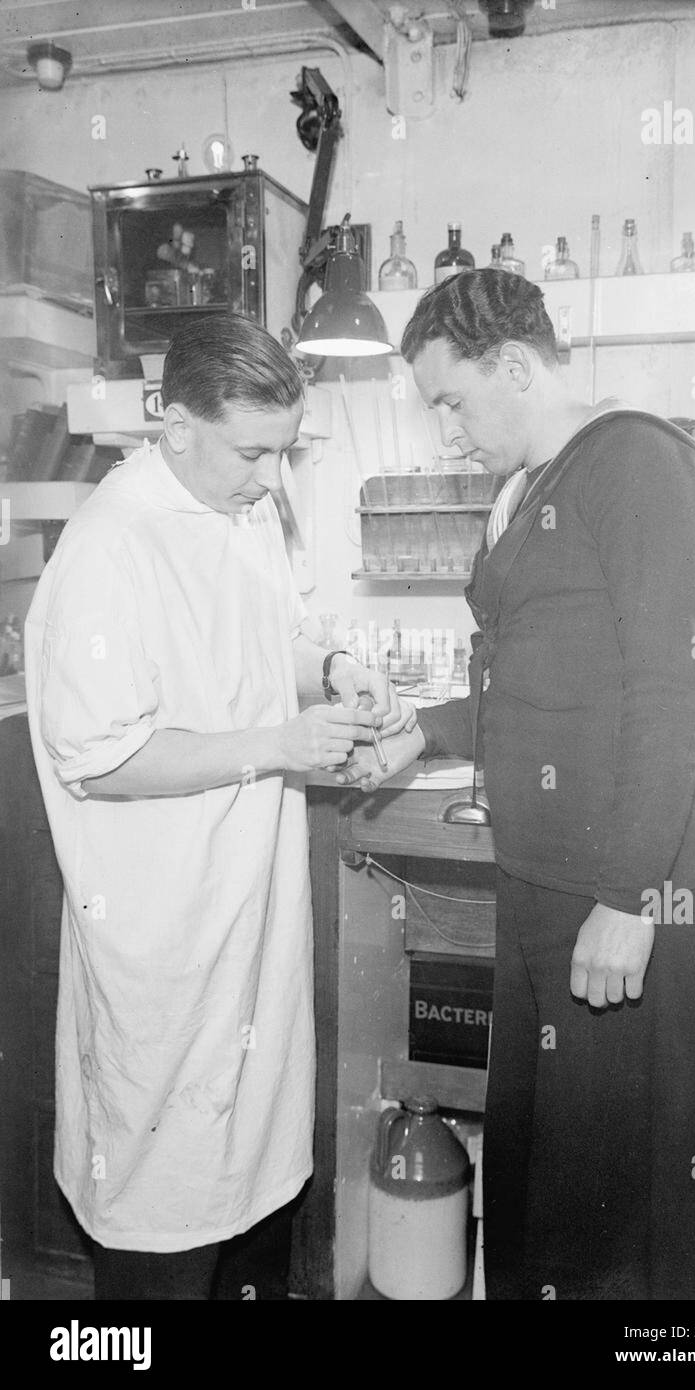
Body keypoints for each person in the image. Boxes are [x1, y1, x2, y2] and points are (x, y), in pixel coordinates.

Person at [338, 269, 695, 1301]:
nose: (445, 431)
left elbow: (671, 691)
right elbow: (525, 687)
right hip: (541, 881)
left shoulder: (634, 464)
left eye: (451, 400)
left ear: (515, 367)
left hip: (622, 885)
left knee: (616, 1205)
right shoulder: (528, 488)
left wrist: (626, 895)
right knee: (536, 1180)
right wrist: (415, 735)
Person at [24, 313, 411, 1300]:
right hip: (164, 932)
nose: (269, 476)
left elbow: (268, 639)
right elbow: (99, 760)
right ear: (175, 422)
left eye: (282, 452)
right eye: (252, 451)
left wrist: (333, 668)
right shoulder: (110, 548)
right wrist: (275, 747)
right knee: (162, 1211)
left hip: (251, 918)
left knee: (250, 1195)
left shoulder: (241, 512)